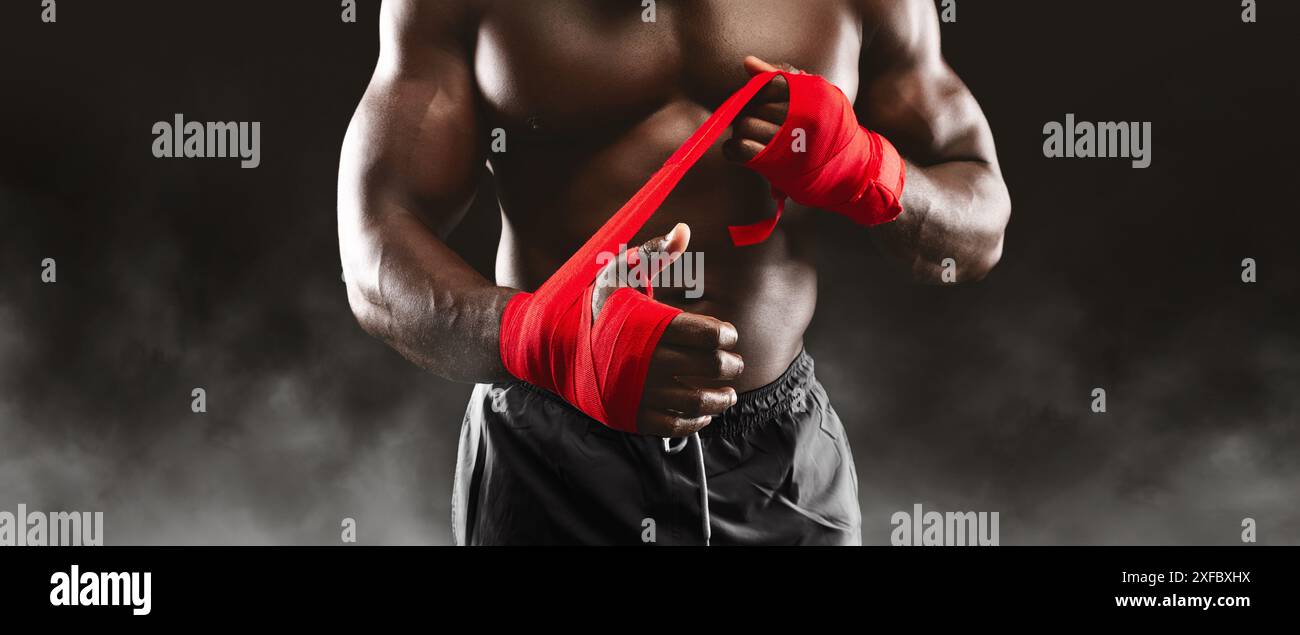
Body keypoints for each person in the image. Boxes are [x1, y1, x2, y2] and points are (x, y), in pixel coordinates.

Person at [337, 0, 1010, 545]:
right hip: (550, 458)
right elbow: (374, 248)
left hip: (778, 461)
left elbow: (978, 230)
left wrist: (870, 171)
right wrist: (549, 342)